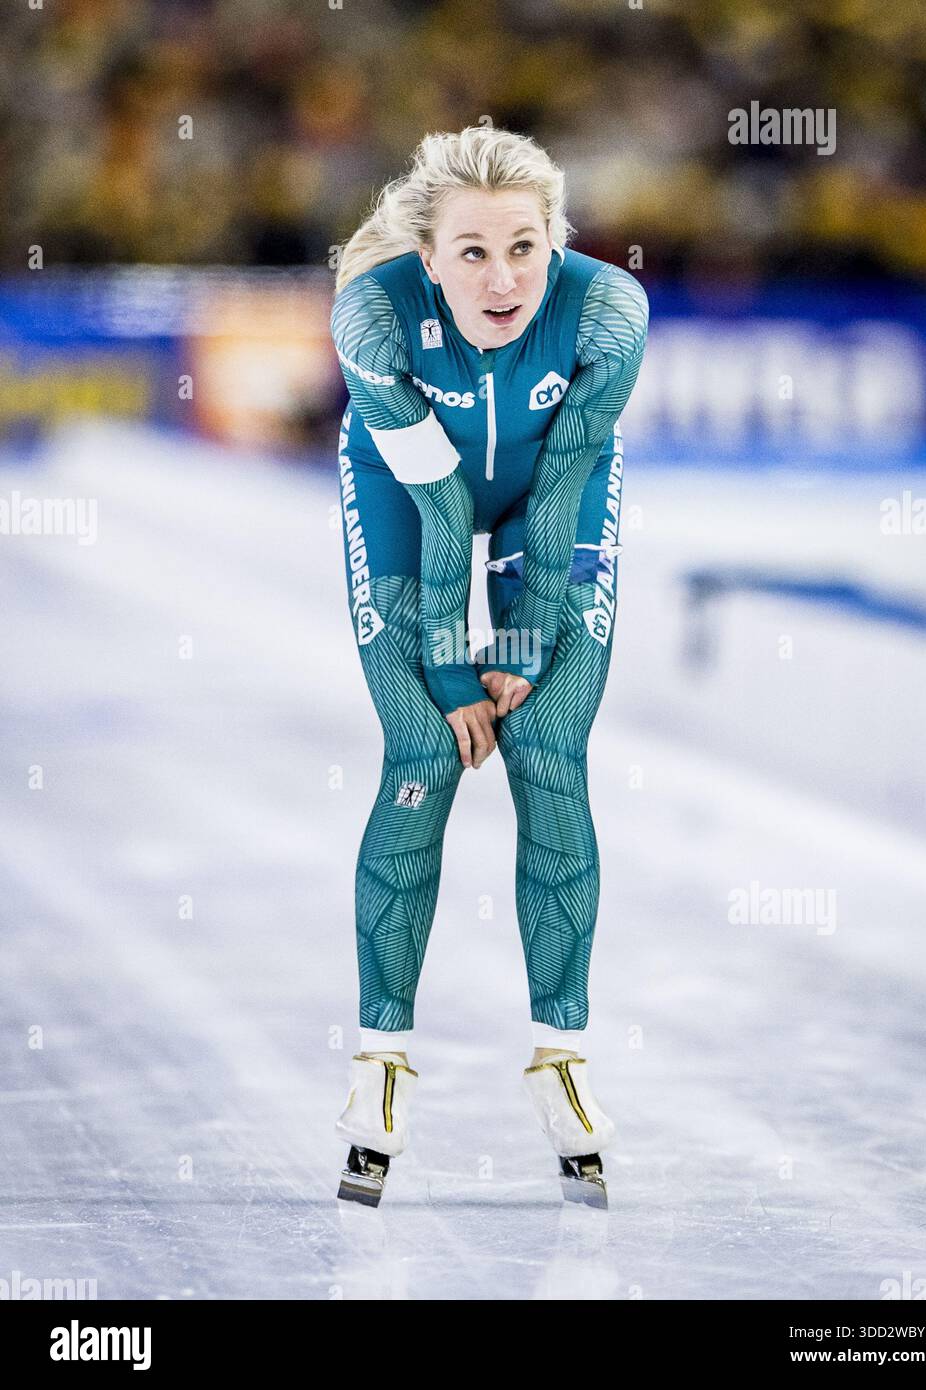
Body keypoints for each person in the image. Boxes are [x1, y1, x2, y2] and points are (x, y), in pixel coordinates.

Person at [329, 126, 649, 1204]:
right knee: (422, 747)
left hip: (543, 510)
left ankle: (563, 1057)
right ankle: (379, 1064)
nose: (504, 278)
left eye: (526, 245)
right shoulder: (374, 318)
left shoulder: (607, 312)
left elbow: (560, 493)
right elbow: (437, 504)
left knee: (550, 753)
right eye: (472, 252)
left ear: (556, 238)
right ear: (428, 259)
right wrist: (451, 663)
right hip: (402, 485)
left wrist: (519, 635)